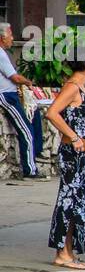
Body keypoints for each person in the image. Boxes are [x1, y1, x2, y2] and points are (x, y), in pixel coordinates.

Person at [45, 52, 85, 270]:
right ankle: (62, 253)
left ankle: (68, 251)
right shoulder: (73, 87)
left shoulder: (83, 86)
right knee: (68, 201)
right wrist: (76, 137)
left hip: (80, 156)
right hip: (72, 154)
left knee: (77, 202)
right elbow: (52, 113)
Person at [0, 22, 43, 182]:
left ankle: (36, 152)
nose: (12, 38)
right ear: (2, 38)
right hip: (7, 96)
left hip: (11, 94)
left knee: (34, 116)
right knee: (26, 130)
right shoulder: (1, 54)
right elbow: (15, 77)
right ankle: (30, 170)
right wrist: (28, 82)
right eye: (10, 35)